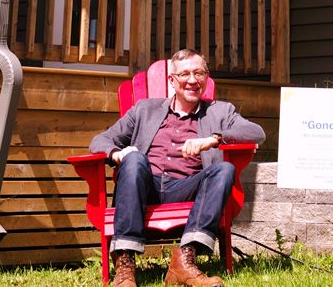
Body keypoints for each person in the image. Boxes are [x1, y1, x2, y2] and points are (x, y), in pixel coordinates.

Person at [90, 48, 266, 287]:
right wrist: (118, 154)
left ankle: (185, 261)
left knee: (224, 170)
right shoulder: (144, 110)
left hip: (186, 188)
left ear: (206, 78)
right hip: (145, 185)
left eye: (199, 73)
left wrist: (213, 139)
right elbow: (99, 141)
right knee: (134, 159)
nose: (192, 80)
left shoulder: (220, 111)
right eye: (185, 74)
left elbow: (257, 132)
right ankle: (125, 266)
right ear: (172, 81)